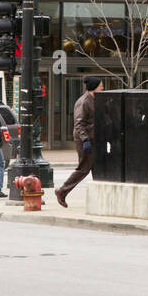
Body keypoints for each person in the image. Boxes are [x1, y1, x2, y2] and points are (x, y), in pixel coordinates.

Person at [57, 76, 102, 208]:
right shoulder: (83, 102)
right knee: (84, 168)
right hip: (85, 140)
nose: (102, 88)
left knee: (98, 167)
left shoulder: (94, 99)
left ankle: (98, 197)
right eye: (100, 86)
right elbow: (79, 123)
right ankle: (62, 191)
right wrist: (85, 140)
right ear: (94, 88)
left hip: (94, 139)